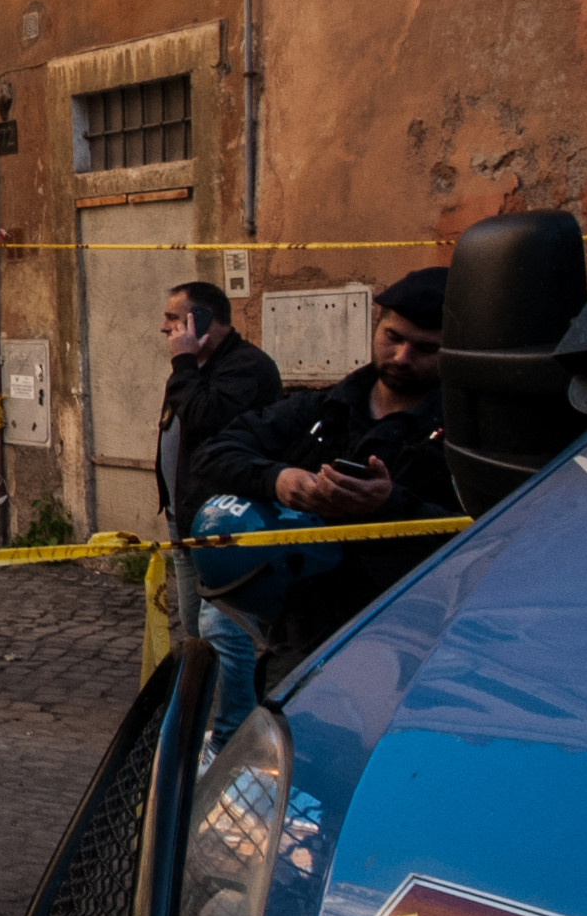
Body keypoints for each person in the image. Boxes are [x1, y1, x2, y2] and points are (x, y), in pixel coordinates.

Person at [196, 266, 456, 651]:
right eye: (393, 338)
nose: (402, 357)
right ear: (376, 327)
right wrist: (279, 480)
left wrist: (391, 505)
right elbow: (213, 454)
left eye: (425, 348)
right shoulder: (321, 409)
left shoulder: (467, 434)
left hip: (408, 639)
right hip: (300, 633)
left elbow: (493, 532)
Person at [155, 280, 288, 743]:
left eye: (174, 320)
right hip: (188, 522)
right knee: (196, 633)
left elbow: (203, 416)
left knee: (225, 629)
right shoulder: (198, 368)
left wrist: (184, 361)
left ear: (203, 321)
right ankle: (203, 723)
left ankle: (235, 735)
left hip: (226, 527)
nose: (165, 328)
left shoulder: (244, 368)